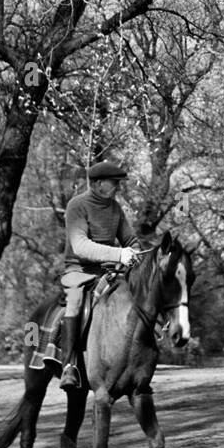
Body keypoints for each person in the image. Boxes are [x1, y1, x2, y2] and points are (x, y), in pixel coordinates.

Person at [51, 159, 139, 389]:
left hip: (108, 273)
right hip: (77, 271)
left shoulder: (115, 208)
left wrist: (137, 252)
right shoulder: (76, 206)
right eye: (114, 183)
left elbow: (130, 239)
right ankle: (69, 367)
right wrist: (120, 254)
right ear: (98, 184)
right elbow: (80, 246)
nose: (118, 187)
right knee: (75, 302)